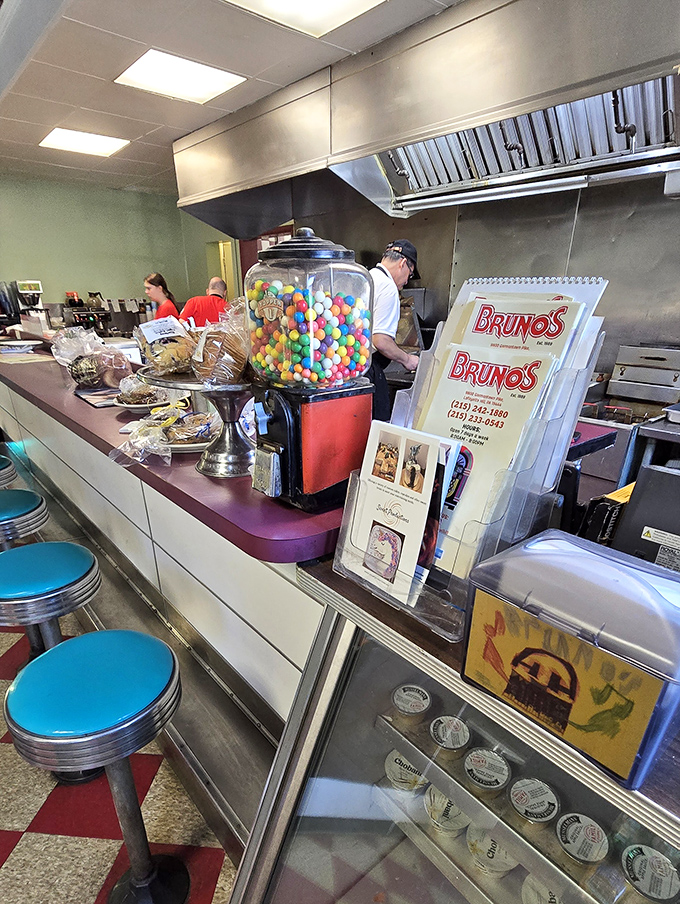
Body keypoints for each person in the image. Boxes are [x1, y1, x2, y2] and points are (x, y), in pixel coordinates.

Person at [367, 240, 421, 421]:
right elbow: (380, 340)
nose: (406, 281)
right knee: (378, 427)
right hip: (369, 371)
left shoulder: (367, 277)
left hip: (355, 371)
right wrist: (408, 360)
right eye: (410, 275)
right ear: (403, 263)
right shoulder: (388, 288)